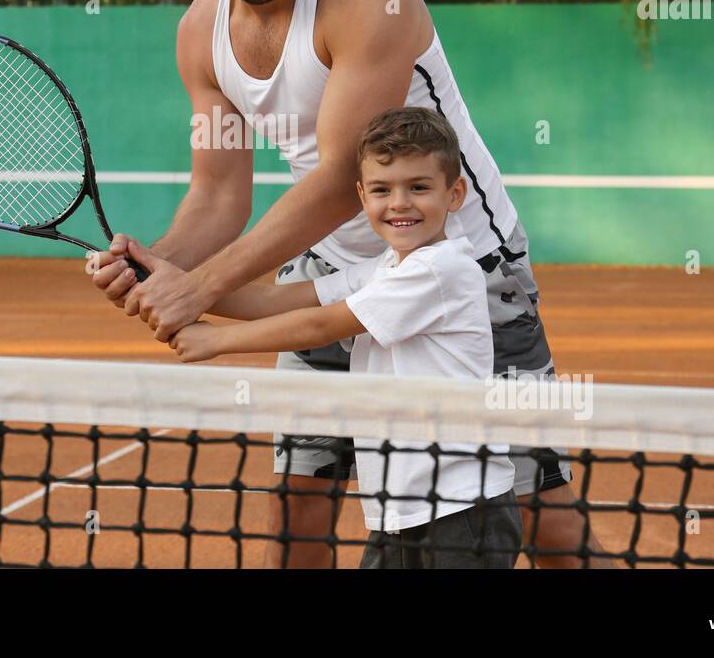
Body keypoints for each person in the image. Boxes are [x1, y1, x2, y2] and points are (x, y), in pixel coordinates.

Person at [88, 0, 608, 568]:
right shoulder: (199, 34)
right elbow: (216, 192)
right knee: (297, 511)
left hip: (466, 269)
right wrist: (157, 265)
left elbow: (340, 180)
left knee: (543, 520)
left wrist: (198, 287)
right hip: (330, 279)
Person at [161, 107, 523, 568]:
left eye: (418, 187)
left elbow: (322, 324)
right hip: (399, 509)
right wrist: (172, 285)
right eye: (381, 189)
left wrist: (215, 342)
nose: (399, 203)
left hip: (462, 512)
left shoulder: (441, 268)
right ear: (361, 196)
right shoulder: (389, 267)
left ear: (455, 194)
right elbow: (287, 300)